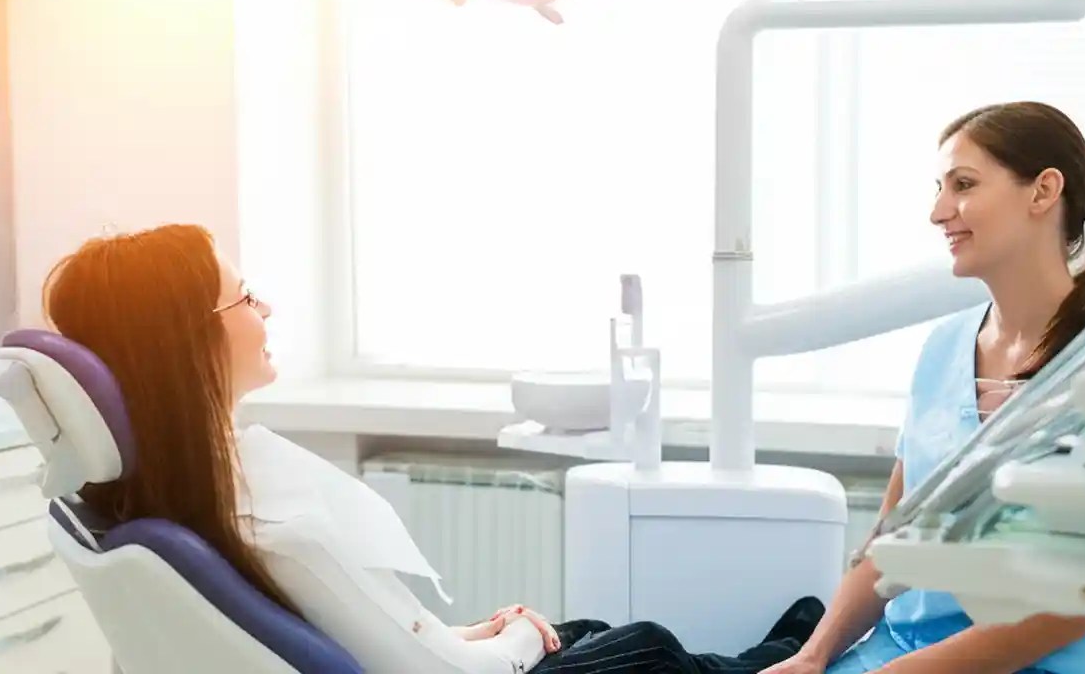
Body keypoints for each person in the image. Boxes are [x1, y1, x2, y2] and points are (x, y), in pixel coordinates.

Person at [42, 224, 821, 673]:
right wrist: (516, 634)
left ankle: (788, 650)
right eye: (245, 297)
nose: (266, 307)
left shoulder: (168, 506)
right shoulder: (277, 533)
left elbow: (367, 635)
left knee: (592, 637)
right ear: (191, 339)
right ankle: (795, 656)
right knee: (642, 651)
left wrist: (481, 632)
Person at [762, 101, 1085, 674]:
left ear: (1043, 192)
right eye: (940, 188)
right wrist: (813, 657)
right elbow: (889, 540)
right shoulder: (944, 350)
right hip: (903, 653)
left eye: (963, 185)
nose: (939, 211)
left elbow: (1066, 610)